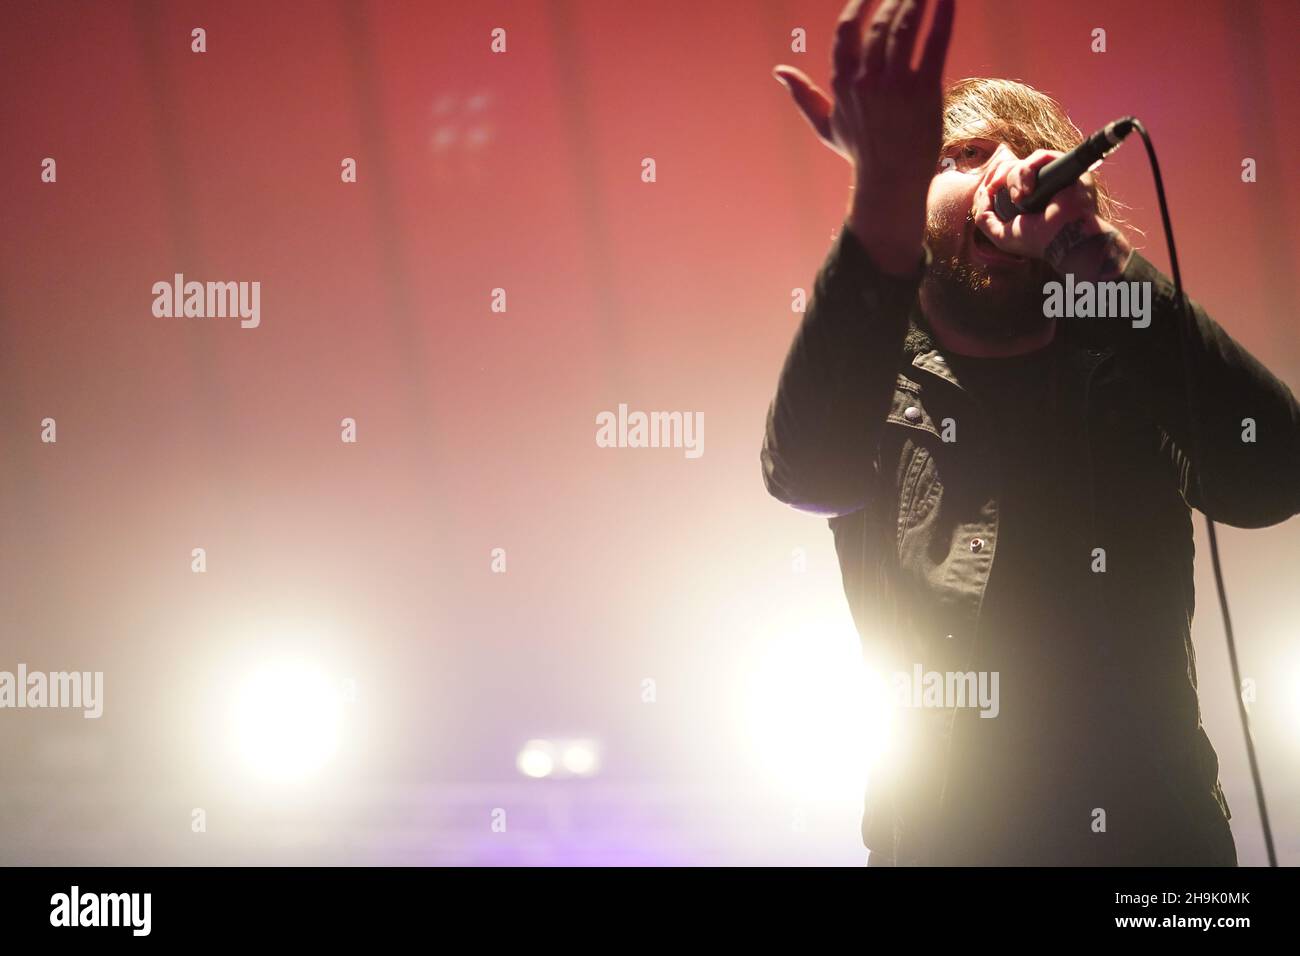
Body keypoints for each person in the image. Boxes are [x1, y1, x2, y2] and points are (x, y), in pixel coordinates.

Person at [761, 0, 1300, 865]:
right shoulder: (872, 375)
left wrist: (1106, 273)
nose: (1008, 170)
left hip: (1155, 860)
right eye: (964, 154)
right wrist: (880, 199)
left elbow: (1274, 476)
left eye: (1029, 148)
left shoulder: (1130, 357)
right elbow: (806, 472)